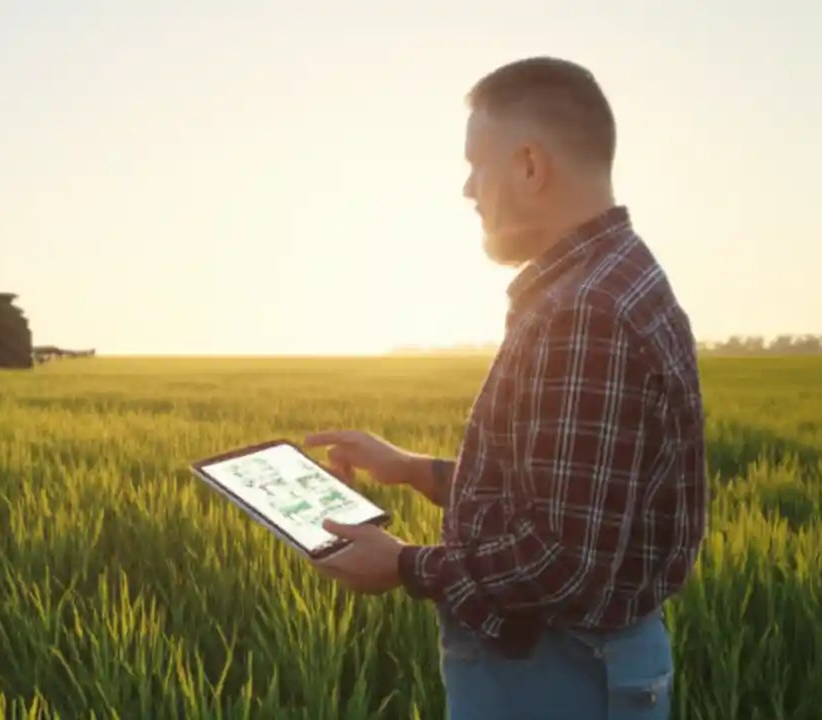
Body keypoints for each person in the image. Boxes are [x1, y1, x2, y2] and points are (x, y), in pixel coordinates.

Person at [304, 56, 707, 719]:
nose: (468, 189)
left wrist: (404, 565)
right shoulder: (615, 277)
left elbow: (563, 560)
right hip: (578, 669)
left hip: (558, 675)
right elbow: (573, 494)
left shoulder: (585, 311)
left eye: (476, 163)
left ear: (528, 166)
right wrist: (411, 470)